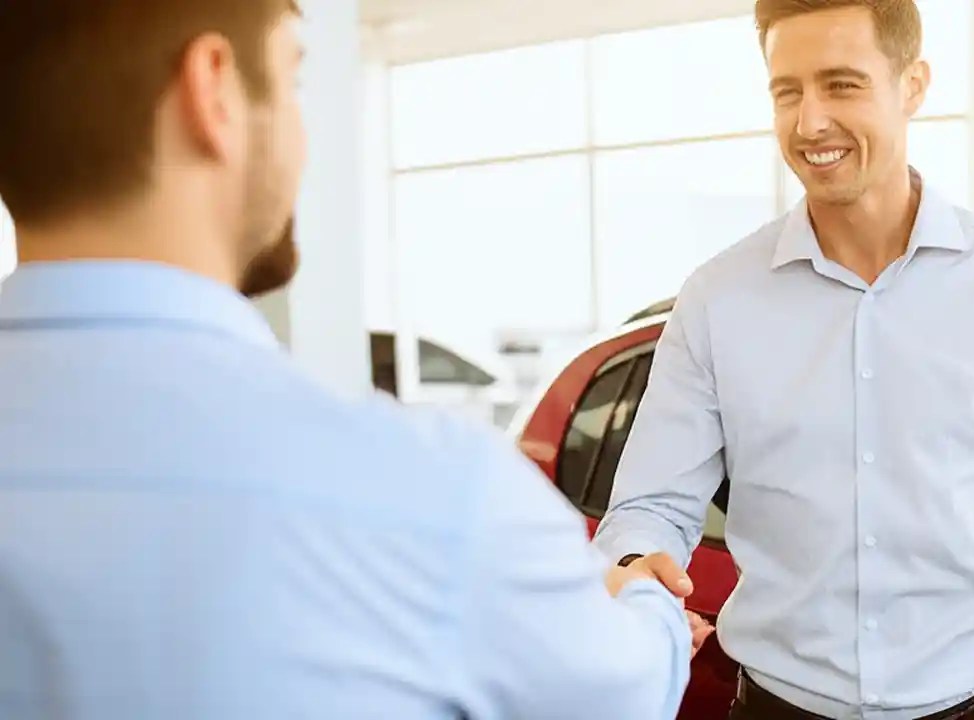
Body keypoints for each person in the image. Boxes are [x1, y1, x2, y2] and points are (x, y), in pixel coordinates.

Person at [0, 2, 692, 718]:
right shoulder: (435, 498)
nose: (306, 138)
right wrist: (643, 596)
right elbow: (627, 693)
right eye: (293, 79)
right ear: (212, 92)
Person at [592, 1, 974, 719]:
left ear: (912, 85)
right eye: (788, 91)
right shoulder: (718, 298)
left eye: (841, 84)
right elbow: (649, 508)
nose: (809, 121)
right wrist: (635, 566)